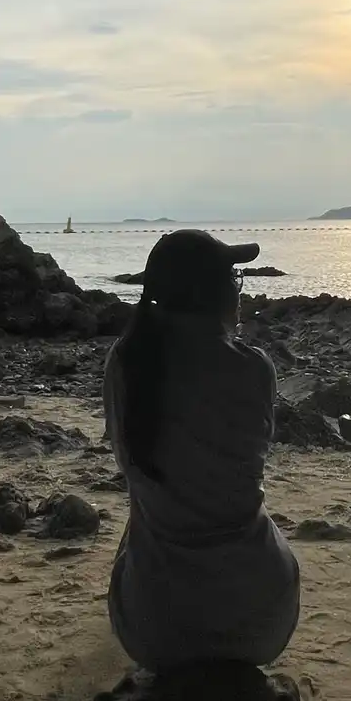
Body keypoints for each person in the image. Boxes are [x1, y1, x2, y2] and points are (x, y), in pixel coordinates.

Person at [103, 229, 301, 673]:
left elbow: (127, 461)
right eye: (234, 280)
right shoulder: (254, 368)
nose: (238, 290)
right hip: (261, 622)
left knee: (142, 513)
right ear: (216, 294)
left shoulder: (125, 366)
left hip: (155, 631)